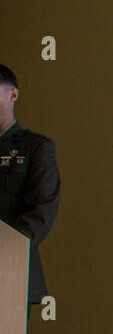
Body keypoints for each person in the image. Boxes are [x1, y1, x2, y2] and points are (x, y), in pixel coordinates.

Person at [0, 64, 61, 310]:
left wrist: (6, 249)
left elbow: (41, 212)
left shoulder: (35, 147)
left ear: (13, 94)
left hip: (9, 271)